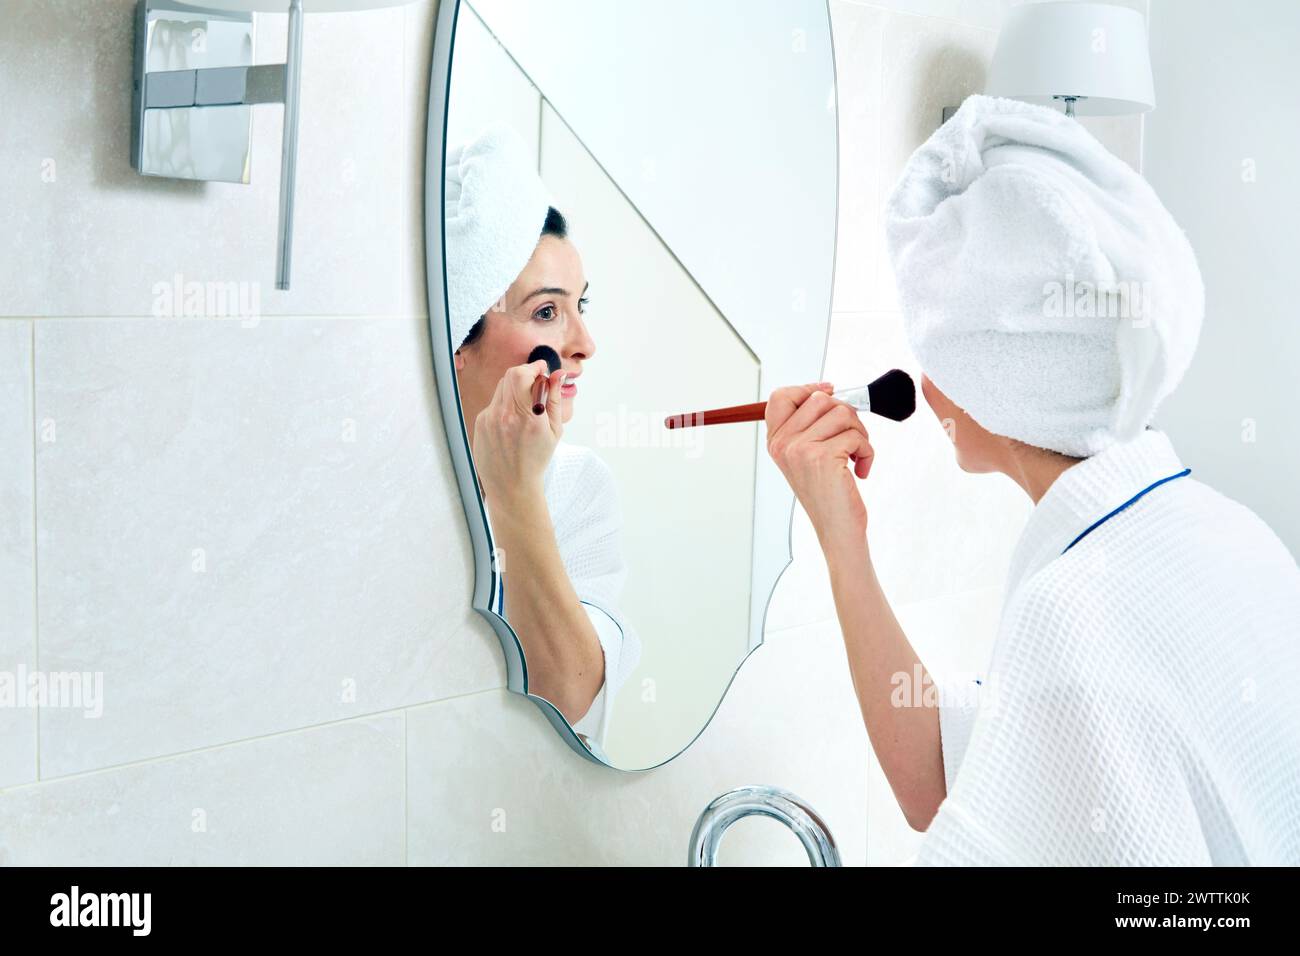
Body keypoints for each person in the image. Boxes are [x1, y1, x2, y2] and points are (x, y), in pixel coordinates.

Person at [765, 95, 1300, 864]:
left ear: (997, 378)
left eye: (940, 353)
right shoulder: (1225, 533)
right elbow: (945, 780)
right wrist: (841, 540)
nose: (926, 382)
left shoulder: (1076, 608)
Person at [445, 124, 640, 752]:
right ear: (455, 343)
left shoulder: (579, 483)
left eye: (582, 305)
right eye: (548, 313)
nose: (584, 345)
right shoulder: (387, 488)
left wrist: (518, 490)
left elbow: (569, 697)